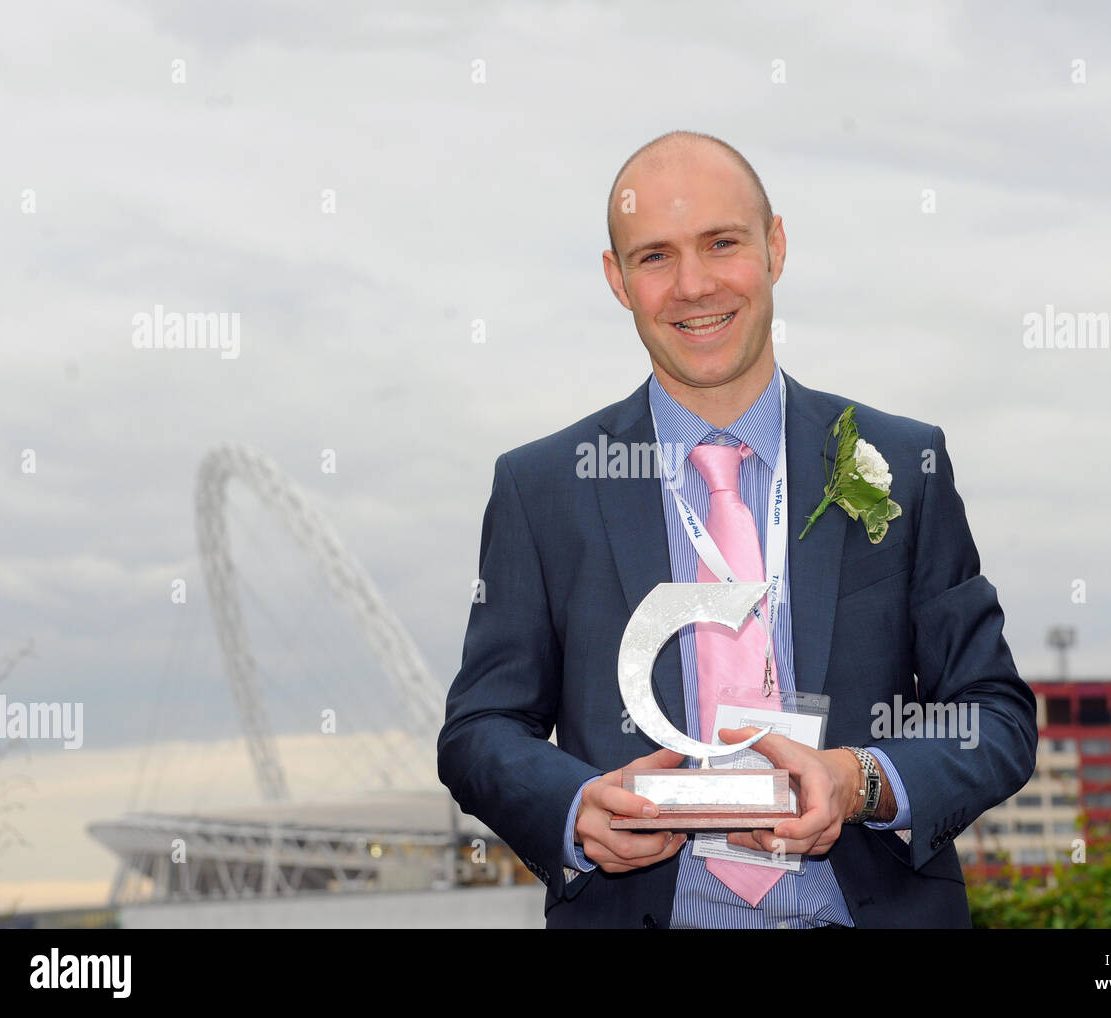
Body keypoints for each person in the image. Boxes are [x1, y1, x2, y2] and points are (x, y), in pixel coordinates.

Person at [437, 130, 1037, 928]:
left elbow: (994, 714)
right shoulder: (542, 487)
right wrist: (575, 806)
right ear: (617, 280)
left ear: (775, 246)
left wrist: (859, 780)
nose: (693, 285)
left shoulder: (902, 460)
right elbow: (479, 730)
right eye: (654, 257)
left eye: (722, 243)